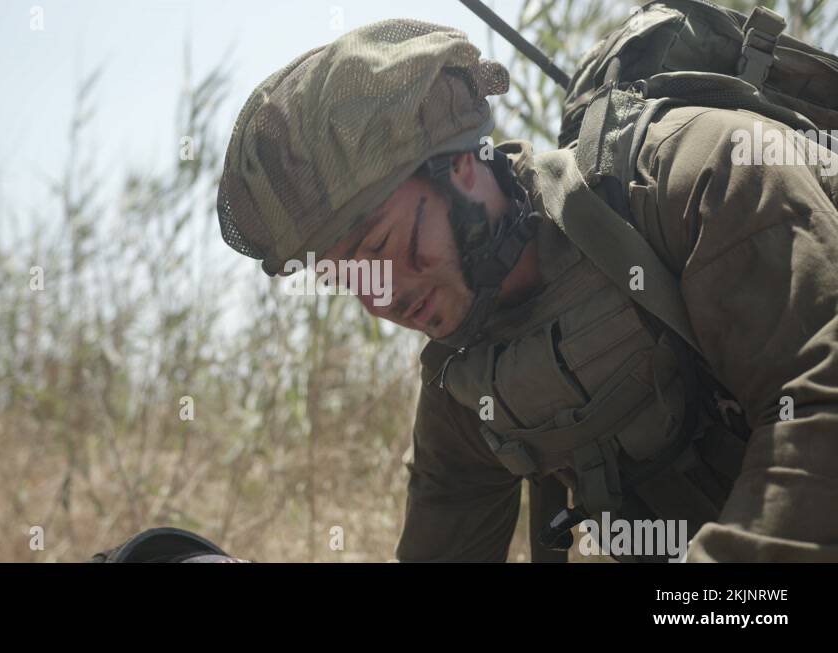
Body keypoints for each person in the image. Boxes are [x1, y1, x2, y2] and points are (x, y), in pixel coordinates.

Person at [216, 18, 838, 562]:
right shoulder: (467, 385)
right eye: (345, 278)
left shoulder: (695, 174)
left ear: (461, 167)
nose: (381, 298)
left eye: (381, 248)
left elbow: (820, 407)